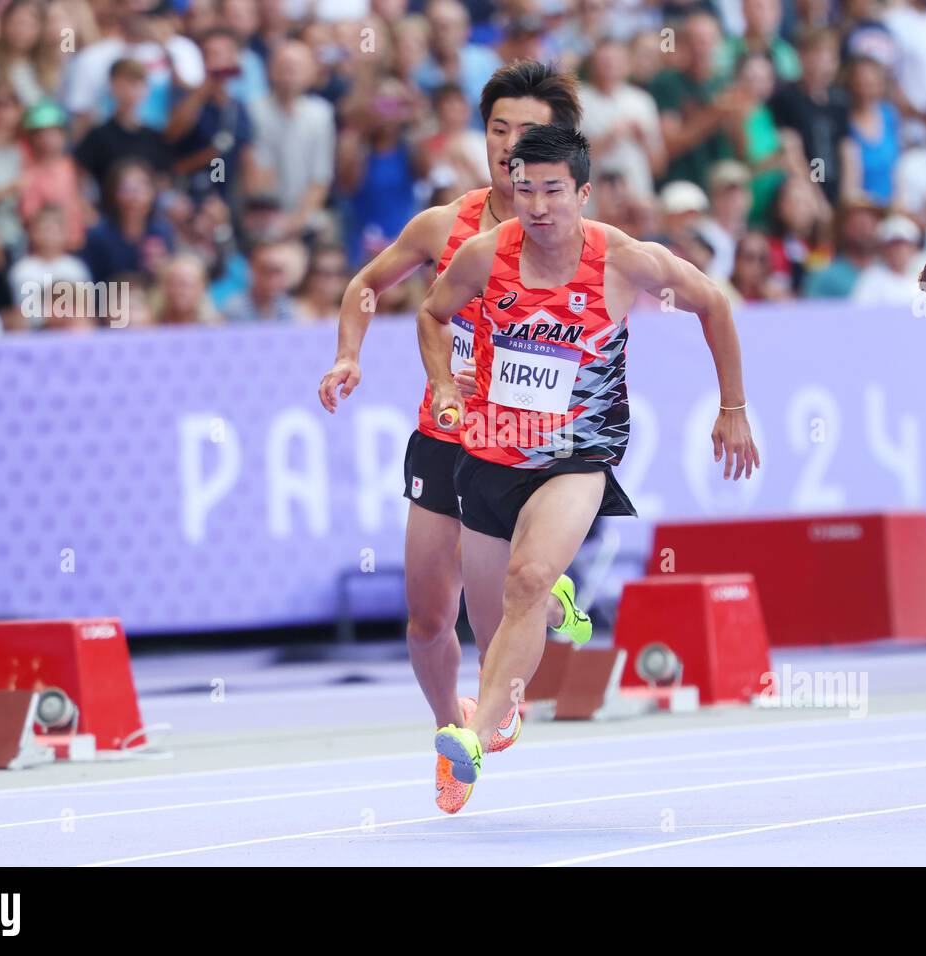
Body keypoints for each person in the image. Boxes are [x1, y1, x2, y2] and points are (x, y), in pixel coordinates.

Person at [420, 124, 759, 795]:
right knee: (499, 619)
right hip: (488, 454)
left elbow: (713, 303)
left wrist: (734, 407)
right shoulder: (485, 256)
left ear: (583, 193)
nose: (537, 206)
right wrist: (443, 385)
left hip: (577, 456)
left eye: (553, 191)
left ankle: (475, 735)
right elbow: (433, 315)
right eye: (525, 191)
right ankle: (554, 613)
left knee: (526, 580)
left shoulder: (626, 259)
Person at [316, 61, 591, 816]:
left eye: (526, 132)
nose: (508, 146)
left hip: (524, 443)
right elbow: (366, 285)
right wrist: (349, 353)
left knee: (497, 614)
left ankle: (533, 616)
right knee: (429, 619)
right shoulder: (445, 225)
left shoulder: (576, 239)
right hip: (444, 435)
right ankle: (452, 731)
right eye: (498, 129)